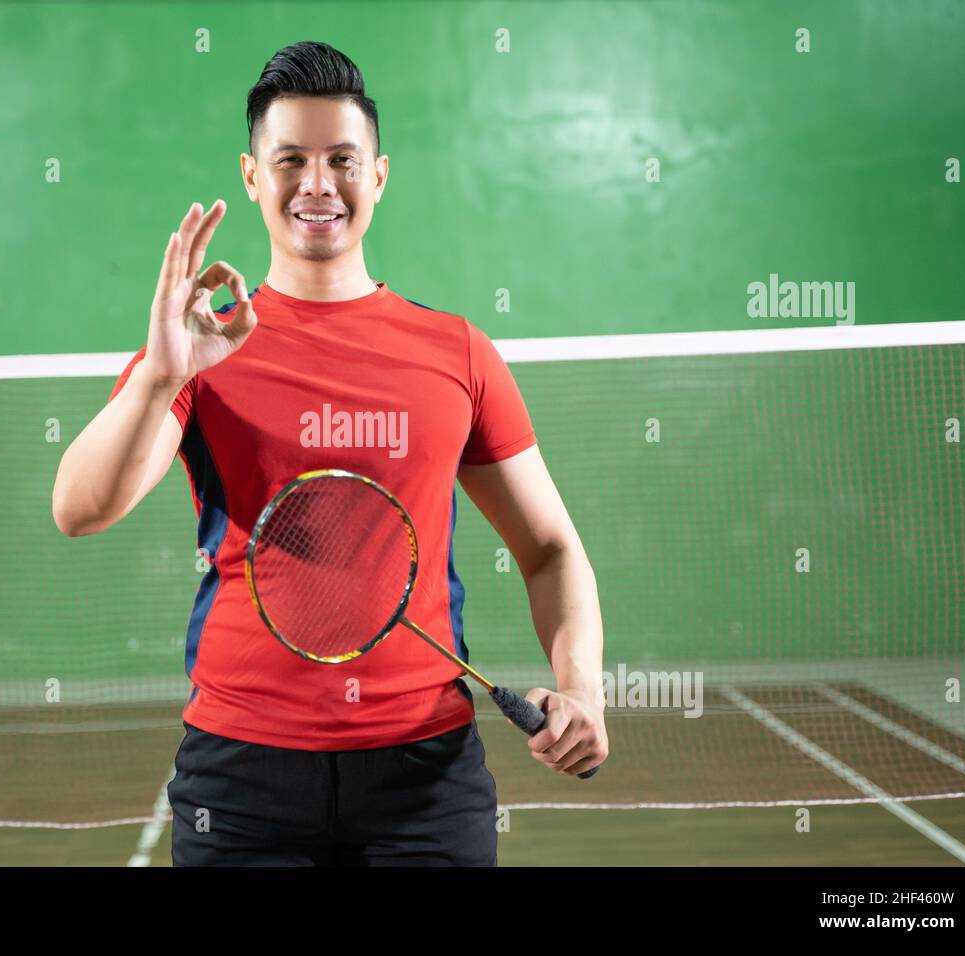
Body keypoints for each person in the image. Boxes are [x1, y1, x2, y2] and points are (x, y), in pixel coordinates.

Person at [52, 40, 606, 866]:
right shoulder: (205, 342)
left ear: (378, 176)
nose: (318, 184)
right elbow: (78, 509)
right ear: (251, 176)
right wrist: (160, 377)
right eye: (292, 161)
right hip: (240, 777)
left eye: (343, 160)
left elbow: (550, 547)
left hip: (425, 776)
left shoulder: (458, 353)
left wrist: (584, 687)